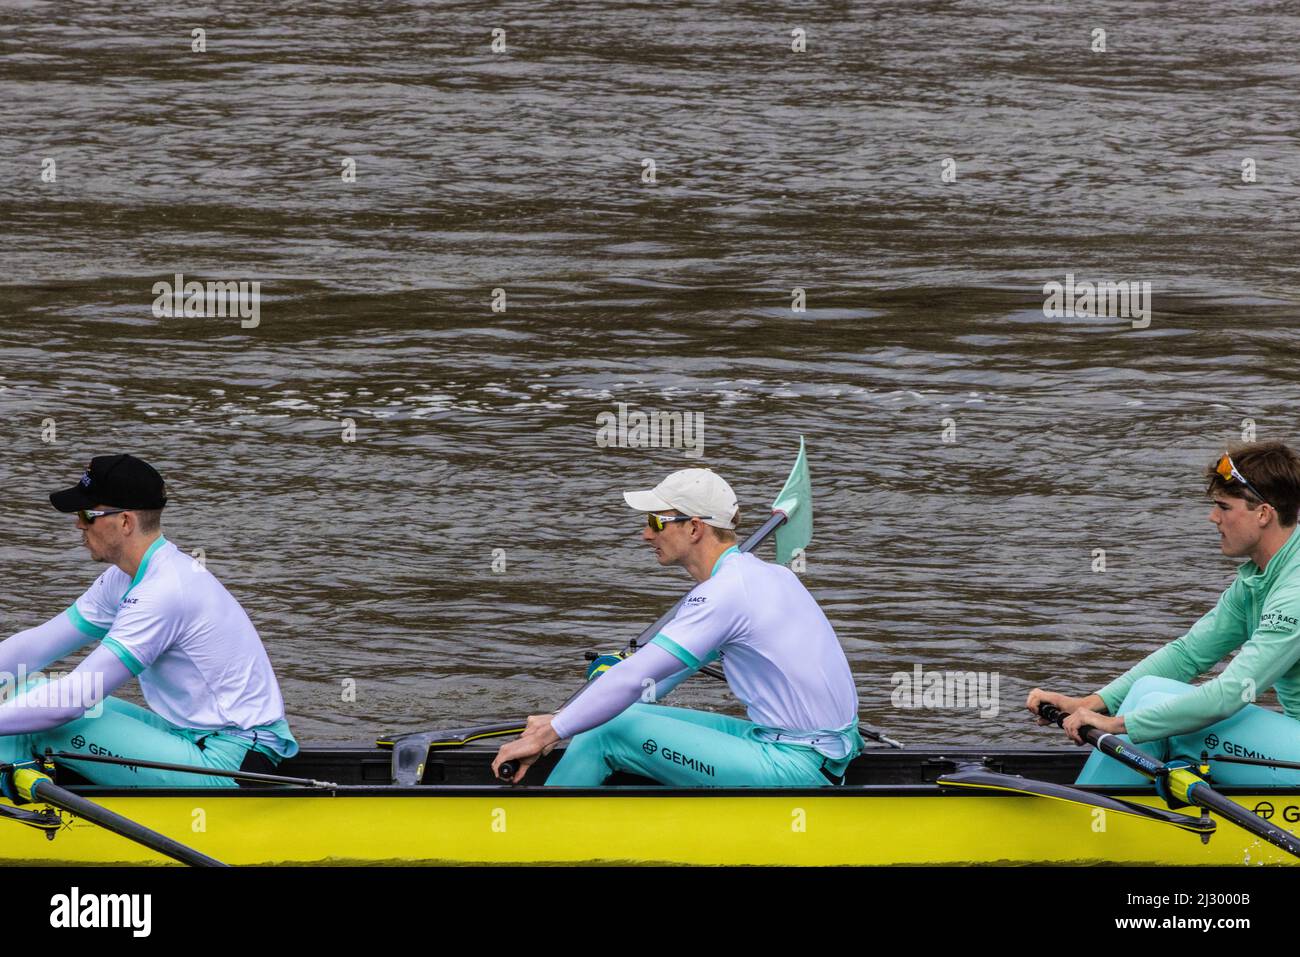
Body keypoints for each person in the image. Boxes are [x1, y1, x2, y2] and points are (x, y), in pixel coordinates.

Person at [491, 467, 863, 787]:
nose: (646, 535)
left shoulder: (724, 595)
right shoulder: (766, 577)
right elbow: (652, 682)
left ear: (695, 528)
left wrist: (550, 730)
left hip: (797, 765)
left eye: (656, 521)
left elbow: (636, 678)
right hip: (807, 748)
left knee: (604, 731)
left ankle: (541, 829)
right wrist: (585, 704)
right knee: (606, 715)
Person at [0, 454, 297, 790]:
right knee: (23, 688)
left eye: (87, 514)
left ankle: (18, 806)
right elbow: (37, 645)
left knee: (47, 721)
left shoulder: (164, 591)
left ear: (125, 522)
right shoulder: (126, 578)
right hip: (188, 733)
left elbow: (71, 702)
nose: (78, 525)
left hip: (234, 760)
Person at [1027, 441, 1300, 786]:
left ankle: (1092, 823)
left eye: (1223, 507)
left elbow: (1231, 694)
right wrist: (1093, 703)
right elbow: (1187, 654)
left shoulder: (1294, 592)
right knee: (1149, 687)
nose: (1212, 517)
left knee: (1157, 714)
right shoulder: (1260, 577)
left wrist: (1118, 725)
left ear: (1262, 514)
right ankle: (1102, 809)